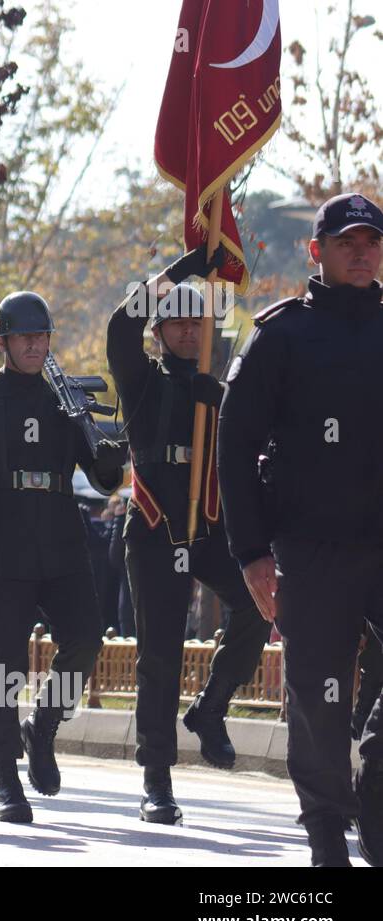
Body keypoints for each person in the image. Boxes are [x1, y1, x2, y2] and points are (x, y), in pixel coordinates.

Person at [218, 192, 383, 866]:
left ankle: (372, 787)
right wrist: (251, 552)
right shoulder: (282, 335)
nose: (362, 252)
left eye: (371, 241)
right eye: (347, 242)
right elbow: (233, 443)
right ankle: (326, 839)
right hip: (310, 550)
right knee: (319, 699)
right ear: (316, 252)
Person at [105, 246, 272, 825]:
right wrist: (186, 265)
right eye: (175, 321)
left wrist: (220, 403)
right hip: (157, 527)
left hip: (210, 527)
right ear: (159, 331)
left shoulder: (224, 385)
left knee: (258, 608)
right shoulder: (141, 379)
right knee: (160, 655)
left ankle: (212, 706)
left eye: (196, 321)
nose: (186, 330)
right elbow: (118, 324)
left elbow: (257, 442)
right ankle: (157, 777)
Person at [0, 291, 126, 823]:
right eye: (24, 337)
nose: (33, 345)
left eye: (41, 337)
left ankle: (44, 724)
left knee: (86, 641)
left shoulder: (62, 402)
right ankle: (5, 774)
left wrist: (108, 449)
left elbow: (103, 478)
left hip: (61, 542)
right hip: (3, 548)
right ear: (2, 342)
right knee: (5, 667)